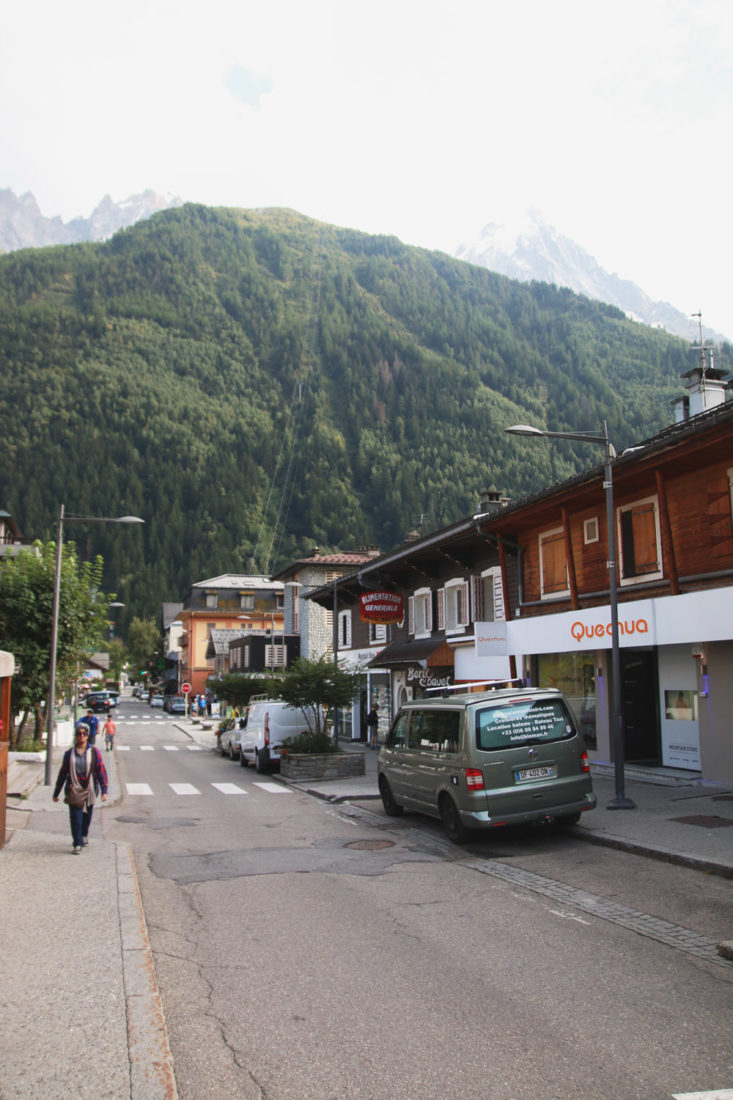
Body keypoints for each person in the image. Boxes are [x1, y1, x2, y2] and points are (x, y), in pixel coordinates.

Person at [52, 723, 108, 854]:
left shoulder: (94, 752)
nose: (81, 736)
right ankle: (77, 842)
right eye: (79, 734)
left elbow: (101, 771)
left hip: (90, 789)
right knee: (76, 817)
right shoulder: (69, 754)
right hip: (74, 789)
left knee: (87, 816)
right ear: (76, 736)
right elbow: (63, 773)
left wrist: (104, 791)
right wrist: (56, 792)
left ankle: (84, 834)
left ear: (88, 735)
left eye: (84, 734)